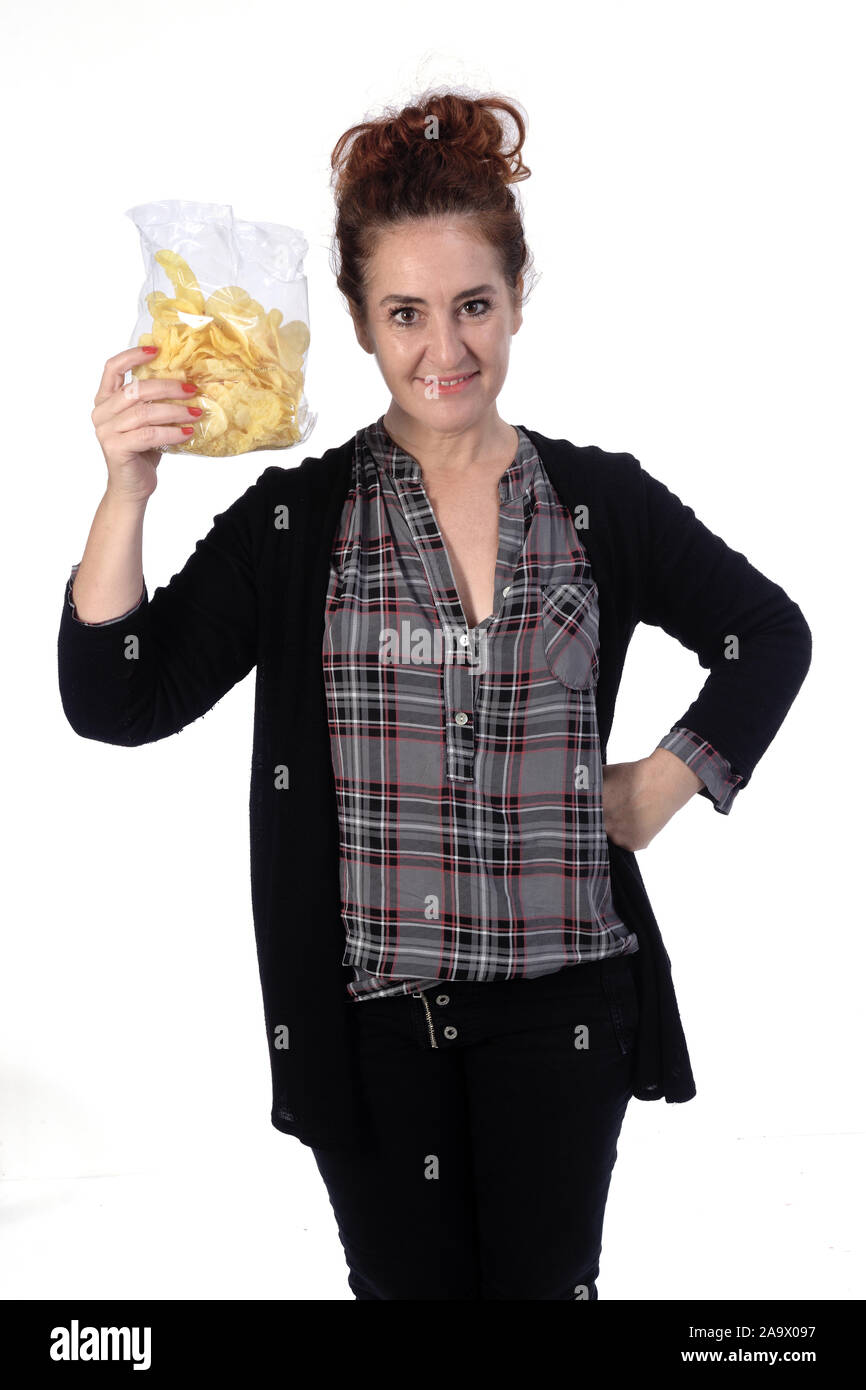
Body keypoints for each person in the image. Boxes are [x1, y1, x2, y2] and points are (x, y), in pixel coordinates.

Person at [58, 89, 812, 1300]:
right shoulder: (300, 524)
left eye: (473, 306)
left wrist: (664, 783)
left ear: (516, 298)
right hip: (372, 1025)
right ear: (356, 322)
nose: (443, 350)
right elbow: (116, 695)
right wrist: (128, 486)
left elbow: (767, 633)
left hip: (566, 1009)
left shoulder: (595, 505)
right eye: (405, 313)